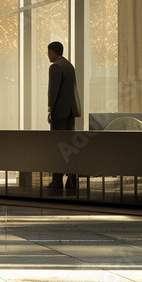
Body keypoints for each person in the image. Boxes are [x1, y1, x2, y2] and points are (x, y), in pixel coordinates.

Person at [45, 41, 81, 189]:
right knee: (69, 145)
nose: (48, 55)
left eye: (48, 52)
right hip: (71, 111)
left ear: (53, 52)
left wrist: (50, 110)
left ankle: (57, 180)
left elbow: (53, 91)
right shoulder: (69, 66)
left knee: (58, 146)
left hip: (59, 112)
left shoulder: (55, 67)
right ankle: (72, 180)